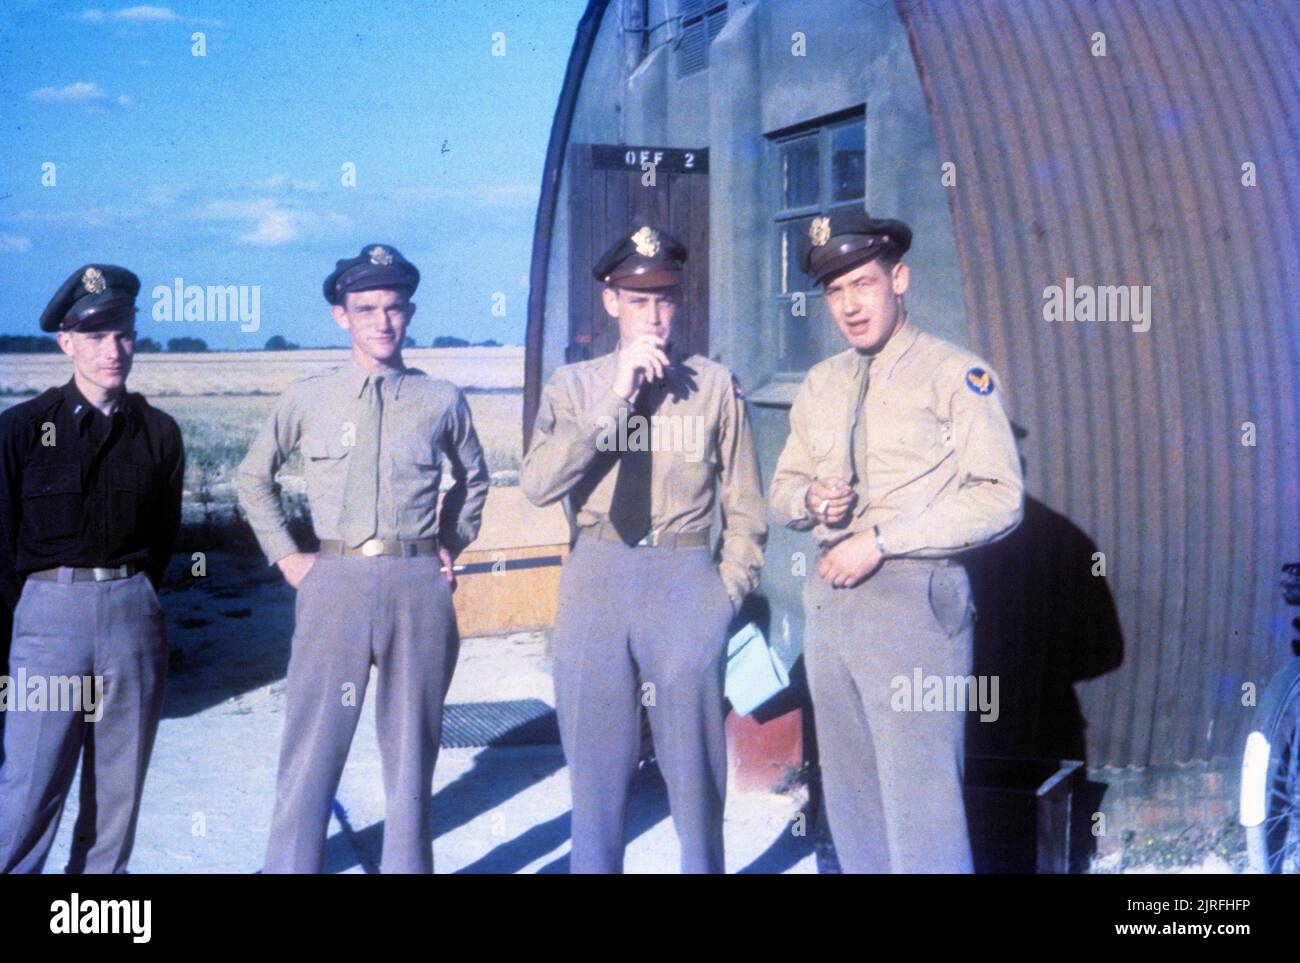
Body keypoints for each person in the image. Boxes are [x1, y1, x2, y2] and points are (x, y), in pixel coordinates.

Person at [769, 211, 1024, 873]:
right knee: (853, 804)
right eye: (835, 292)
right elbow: (783, 488)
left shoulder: (956, 375)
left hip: (914, 609)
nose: (850, 305)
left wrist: (882, 539)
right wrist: (811, 500)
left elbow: (1000, 495)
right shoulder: (821, 383)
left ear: (899, 278)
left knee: (922, 807)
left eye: (863, 283)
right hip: (831, 611)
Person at [237, 243, 489, 873]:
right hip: (334, 580)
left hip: (416, 583)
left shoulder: (440, 399)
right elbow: (253, 479)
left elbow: (475, 481)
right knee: (314, 742)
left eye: (394, 307)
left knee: (411, 749)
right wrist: (290, 560)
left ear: (409, 313)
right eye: (366, 307)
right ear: (340, 316)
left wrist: (449, 545)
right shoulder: (310, 397)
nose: (382, 321)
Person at [521, 224, 766, 873]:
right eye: (637, 299)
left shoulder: (712, 385)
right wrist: (619, 395)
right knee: (597, 781)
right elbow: (539, 484)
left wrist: (723, 593)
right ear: (610, 302)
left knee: (695, 777)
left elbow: (747, 505)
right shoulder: (573, 385)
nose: (653, 315)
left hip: (685, 578)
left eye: (663, 298)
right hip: (596, 577)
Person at [0, 264, 184, 873]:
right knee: (28, 792)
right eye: (96, 336)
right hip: (48, 619)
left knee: (116, 800)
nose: (113, 350)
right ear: (66, 342)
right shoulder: (23, 430)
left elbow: (162, 539)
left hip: (133, 614)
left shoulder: (159, 434)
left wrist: (135, 600)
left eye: (123, 333)